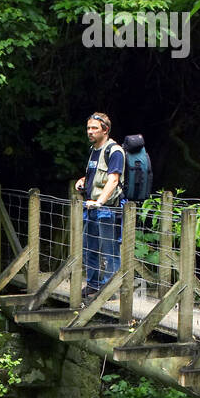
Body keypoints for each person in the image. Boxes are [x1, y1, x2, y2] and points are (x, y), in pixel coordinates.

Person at [74, 113, 124, 300]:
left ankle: (110, 289)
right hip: (91, 207)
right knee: (90, 248)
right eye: (88, 128)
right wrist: (82, 181)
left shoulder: (115, 151)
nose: (90, 132)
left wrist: (100, 201)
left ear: (106, 129)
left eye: (95, 128)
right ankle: (93, 285)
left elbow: (113, 179)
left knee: (109, 250)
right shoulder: (94, 150)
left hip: (107, 209)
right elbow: (96, 176)